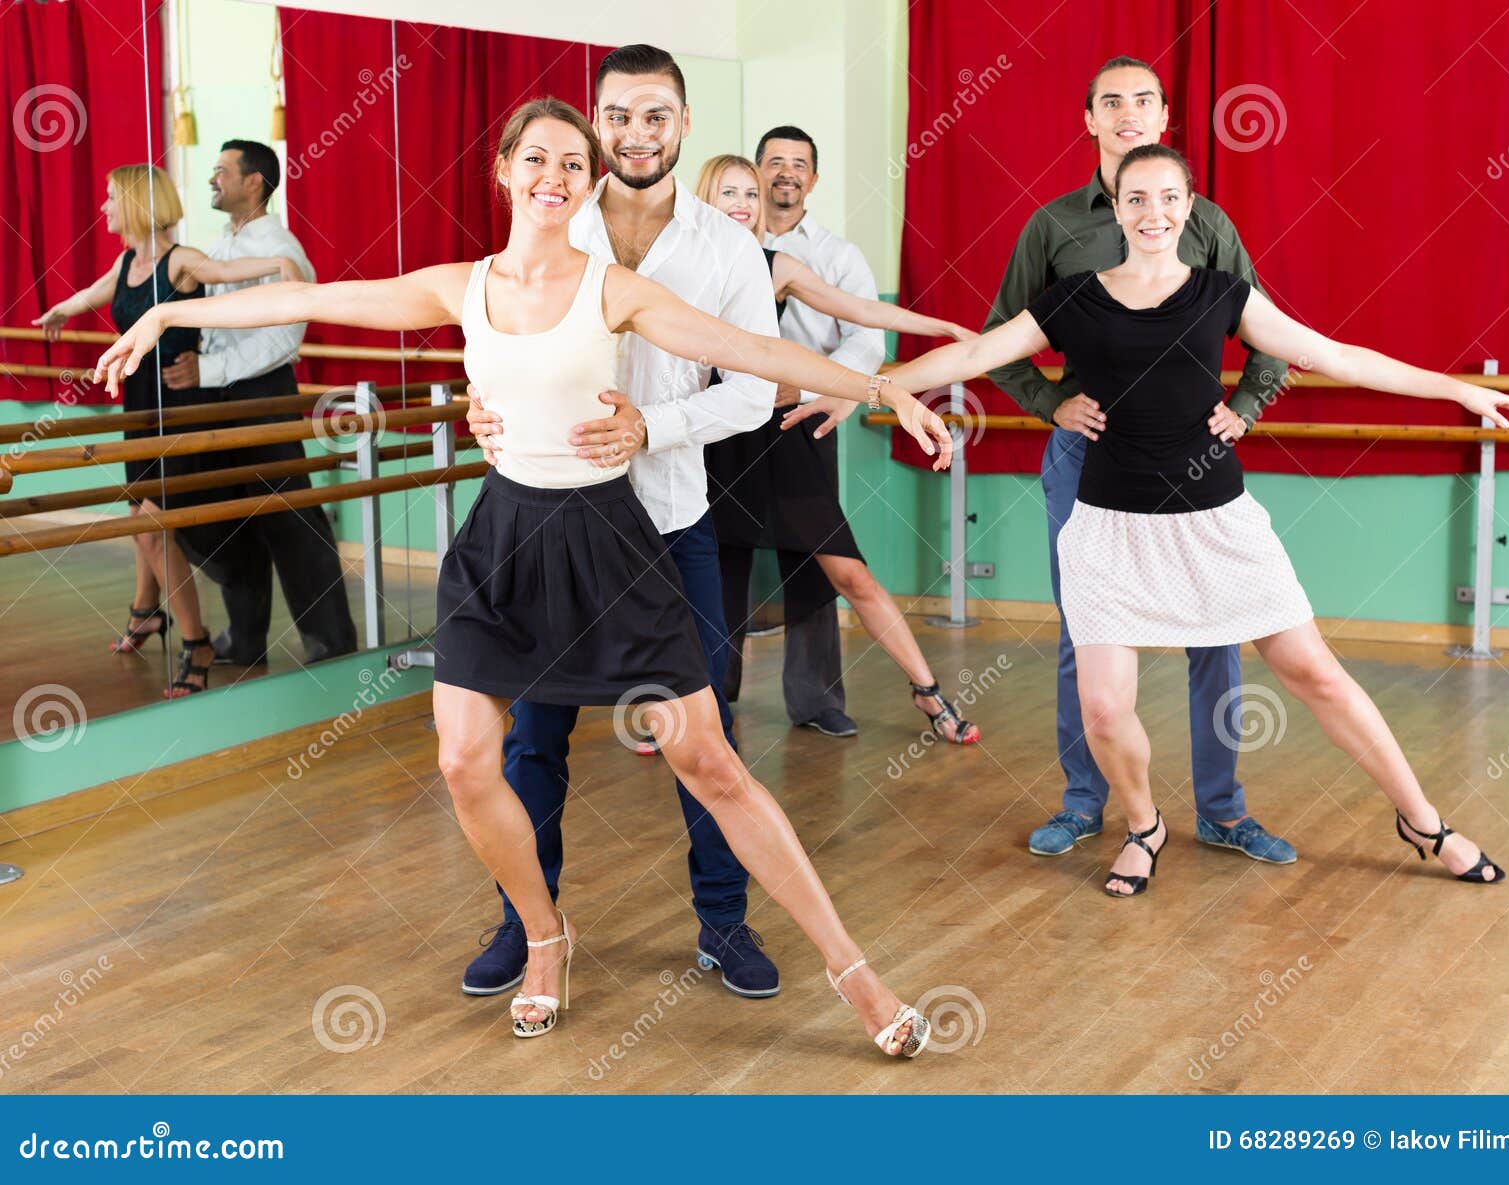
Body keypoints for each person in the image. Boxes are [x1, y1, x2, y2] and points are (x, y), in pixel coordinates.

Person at [98, 97, 951, 1057]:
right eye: (536, 158)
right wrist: (167, 305)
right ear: (503, 170)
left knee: (709, 762)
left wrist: (881, 385)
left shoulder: (613, 288)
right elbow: (313, 297)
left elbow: (749, 352)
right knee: (466, 760)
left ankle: (855, 972)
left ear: (586, 186)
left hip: (610, 540)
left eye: (572, 166)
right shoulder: (461, 285)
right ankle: (544, 936)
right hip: (502, 536)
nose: (554, 176)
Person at [817, 143, 1509, 896]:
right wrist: (859, 387)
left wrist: (1457, 390)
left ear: (1189, 207)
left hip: (1216, 522)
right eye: (1137, 199)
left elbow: (1334, 355)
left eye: (1168, 198)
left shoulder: (1224, 293)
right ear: (1115, 209)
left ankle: (1424, 821)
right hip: (1109, 528)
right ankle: (1144, 824)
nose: (1153, 213)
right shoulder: (1073, 298)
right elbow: (975, 355)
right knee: (1103, 705)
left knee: (1315, 670)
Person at [463, 47, 789, 1002]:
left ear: (683, 122)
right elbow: (498, 340)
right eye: (620, 116)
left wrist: (654, 426)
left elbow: (756, 392)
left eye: (657, 116)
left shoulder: (727, 247)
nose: (637, 133)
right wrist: (478, 408)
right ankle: (529, 926)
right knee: (533, 740)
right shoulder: (552, 219)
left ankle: (724, 923)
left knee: (706, 738)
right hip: (551, 526)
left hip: (669, 522)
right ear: (597, 123)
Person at [986, 56, 1297, 865]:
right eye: (1110, 102)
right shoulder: (1053, 227)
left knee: (1217, 637)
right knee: (1081, 633)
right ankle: (1087, 802)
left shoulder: (1205, 223)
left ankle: (1224, 811)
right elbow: (999, 341)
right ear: (1087, 119)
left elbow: (1270, 328)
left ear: (1164, 119)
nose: (1128, 113)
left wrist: (1249, 406)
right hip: (1087, 462)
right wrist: (1050, 403)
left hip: (1195, 468)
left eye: (1144, 101)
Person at [697, 153, 982, 747]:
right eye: (729, 193)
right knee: (710, 587)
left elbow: (860, 311)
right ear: (706, 199)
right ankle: (690, 714)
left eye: (749, 194)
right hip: (712, 445)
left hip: (782, 439)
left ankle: (928, 692)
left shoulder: (776, 267)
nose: (743, 205)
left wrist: (941, 328)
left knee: (848, 572)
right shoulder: (676, 269)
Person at [32, 163, 302, 696]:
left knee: (153, 526)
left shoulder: (181, 261)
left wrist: (281, 263)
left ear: (134, 203)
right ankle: (144, 613)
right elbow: (96, 291)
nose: (104, 208)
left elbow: (229, 275)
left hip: (179, 409)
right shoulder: (128, 261)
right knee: (141, 520)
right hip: (140, 408)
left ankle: (196, 641)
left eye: (111, 198)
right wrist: (59, 311)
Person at [160, 140, 358, 669]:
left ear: (255, 182)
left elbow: (283, 338)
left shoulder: (282, 248)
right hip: (214, 397)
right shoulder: (220, 245)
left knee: (289, 518)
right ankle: (245, 638)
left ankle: (332, 641)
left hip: (262, 395)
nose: (211, 179)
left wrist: (211, 369)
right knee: (228, 518)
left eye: (222, 171)